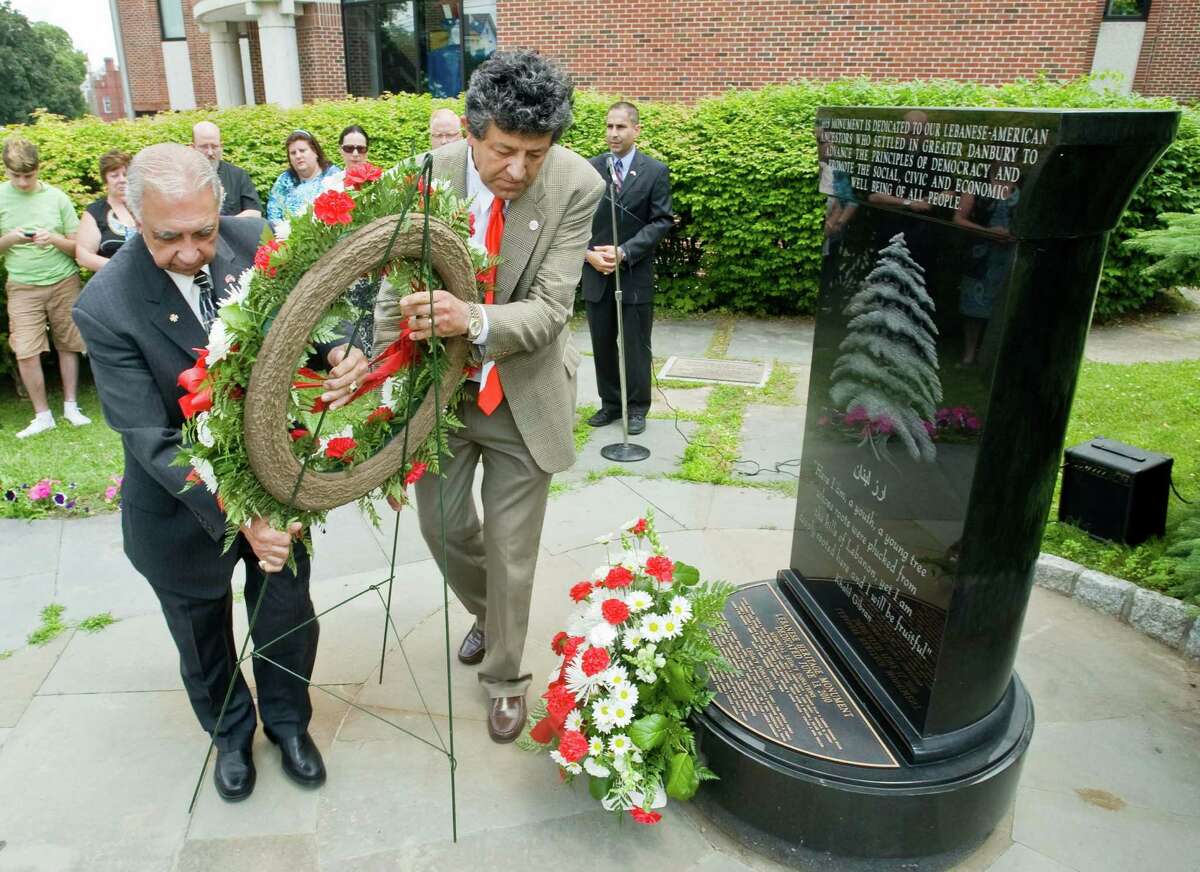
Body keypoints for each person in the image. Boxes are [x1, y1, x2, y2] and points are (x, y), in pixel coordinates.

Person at [72, 144, 369, 803]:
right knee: (203, 639)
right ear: (132, 217)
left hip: (274, 479)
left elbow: (315, 305)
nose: (191, 251)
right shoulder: (106, 304)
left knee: (289, 615)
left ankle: (290, 725)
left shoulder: (254, 236)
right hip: (181, 511)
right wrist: (243, 514)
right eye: (167, 237)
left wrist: (345, 344)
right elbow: (150, 439)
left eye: (203, 231)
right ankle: (231, 736)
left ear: (220, 209)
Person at [376, 51, 605, 743]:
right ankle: (491, 614)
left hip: (522, 398)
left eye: (535, 154)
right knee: (441, 530)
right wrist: (381, 367)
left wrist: (471, 320)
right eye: (504, 151)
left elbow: (548, 311)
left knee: (512, 552)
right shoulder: (421, 178)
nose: (518, 170)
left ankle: (505, 677)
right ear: (471, 133)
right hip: (439, 399)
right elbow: (393, 289)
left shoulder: (577, 186)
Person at [581, 101, 673, 435]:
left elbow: (661, 221)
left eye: (620, 127)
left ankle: (636, 407)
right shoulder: (590, 170)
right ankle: (610, 403)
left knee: (635, 344)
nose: (613, 134)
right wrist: (589, 254)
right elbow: (572, 221)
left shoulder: (654, 171)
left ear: (636, 130)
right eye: (609, 127)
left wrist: (624, 251)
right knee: (602, 342)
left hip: (634, 273)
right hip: (596, 273)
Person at [0, 137, 91, 438]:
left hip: (63, 280)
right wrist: (11, 239)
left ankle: (71, 406)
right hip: (22, 285)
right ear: (7, 171)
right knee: (25, 350)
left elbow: (78, 246)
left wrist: (52, 239)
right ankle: (42, 416)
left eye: (29, 175)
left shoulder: (57, 198)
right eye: (16, 176)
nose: (23, 182)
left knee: (69, 343)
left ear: (38, 169)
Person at [265, 130, 339, 230]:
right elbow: (274, 215)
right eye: (293, 153)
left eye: (302, 150)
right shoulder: (284, 181)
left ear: (315, 152)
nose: (298, 156)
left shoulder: (333, 175)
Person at [75, 149, 135, 273]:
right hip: (112, 281)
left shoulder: (146, 206)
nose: (122, 179)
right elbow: (83, 256)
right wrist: (124, 268)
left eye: (126, 174)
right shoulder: (95, 211)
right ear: (105, 181)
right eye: (114, 176)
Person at [191, 121, 262, 218]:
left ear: (222, 147)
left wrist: (224, 225)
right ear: (193, 147)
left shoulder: (238, 175)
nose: (210, 152)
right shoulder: (182, 176)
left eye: (215, 146)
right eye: (204, 147)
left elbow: (255, 213)